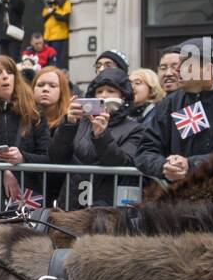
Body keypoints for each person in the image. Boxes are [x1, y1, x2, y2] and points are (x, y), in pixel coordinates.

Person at [136, 36, 213, 182]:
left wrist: (192, 164)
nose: (178, 69)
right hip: (178, 197)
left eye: (186, 64)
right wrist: (165, 166)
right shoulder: (171, 103)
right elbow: (146, 151)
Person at [50, 67, 144, 207]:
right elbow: (57, 156)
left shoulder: (134, 129)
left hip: (108, 206)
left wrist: (101, 136)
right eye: (99, 91)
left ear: (123, 96)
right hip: (72, 202)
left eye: (111, 91)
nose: (103, 96)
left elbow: (124, 163)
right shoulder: (80, 122)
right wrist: (68, 125)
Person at [0, 55, 48, 214]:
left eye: (10, 72)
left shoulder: (34, 113)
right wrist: (2, 173)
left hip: (30, 199)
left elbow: (47, 157)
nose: (5, 76)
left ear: (15, 78)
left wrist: (22, 158)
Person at [33, 64, 71, 140]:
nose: (45, 89)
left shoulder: (70, 121)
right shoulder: (24, 120)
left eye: (52, 86)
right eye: (40, 85)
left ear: (62, 91)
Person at [41, 0, 71, 69]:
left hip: (60, 35)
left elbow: (64, 16)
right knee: (48, 61)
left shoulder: (65, 0)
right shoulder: (49, 0)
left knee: (57, 61)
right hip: (48, 36)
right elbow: (44, 15)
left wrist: (53, 10)